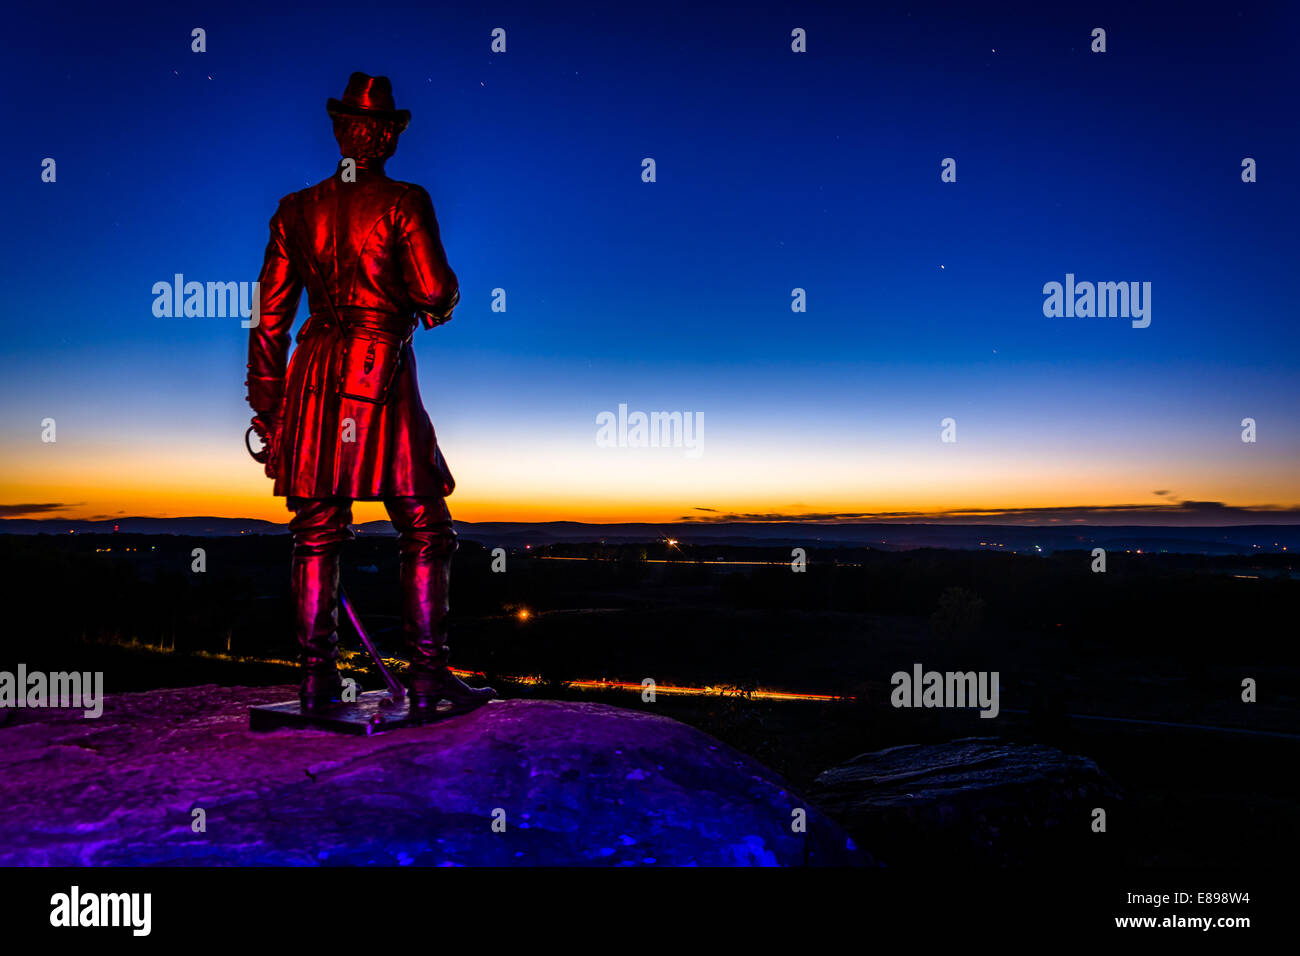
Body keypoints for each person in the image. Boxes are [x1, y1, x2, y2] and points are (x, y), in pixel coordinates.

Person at [245, 72, 495, 714]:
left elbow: (269, 318)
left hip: (311, 374)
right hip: (377, 370)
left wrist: (269, 411)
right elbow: (435, 292)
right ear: (380, 136)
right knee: (424, 522)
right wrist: (439, 299)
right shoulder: (406, 201)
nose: (381, 136)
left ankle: (314, 680)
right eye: (381, 127)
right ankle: (430, 676)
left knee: (317, 528)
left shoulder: (295, 209)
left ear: (340, 133)